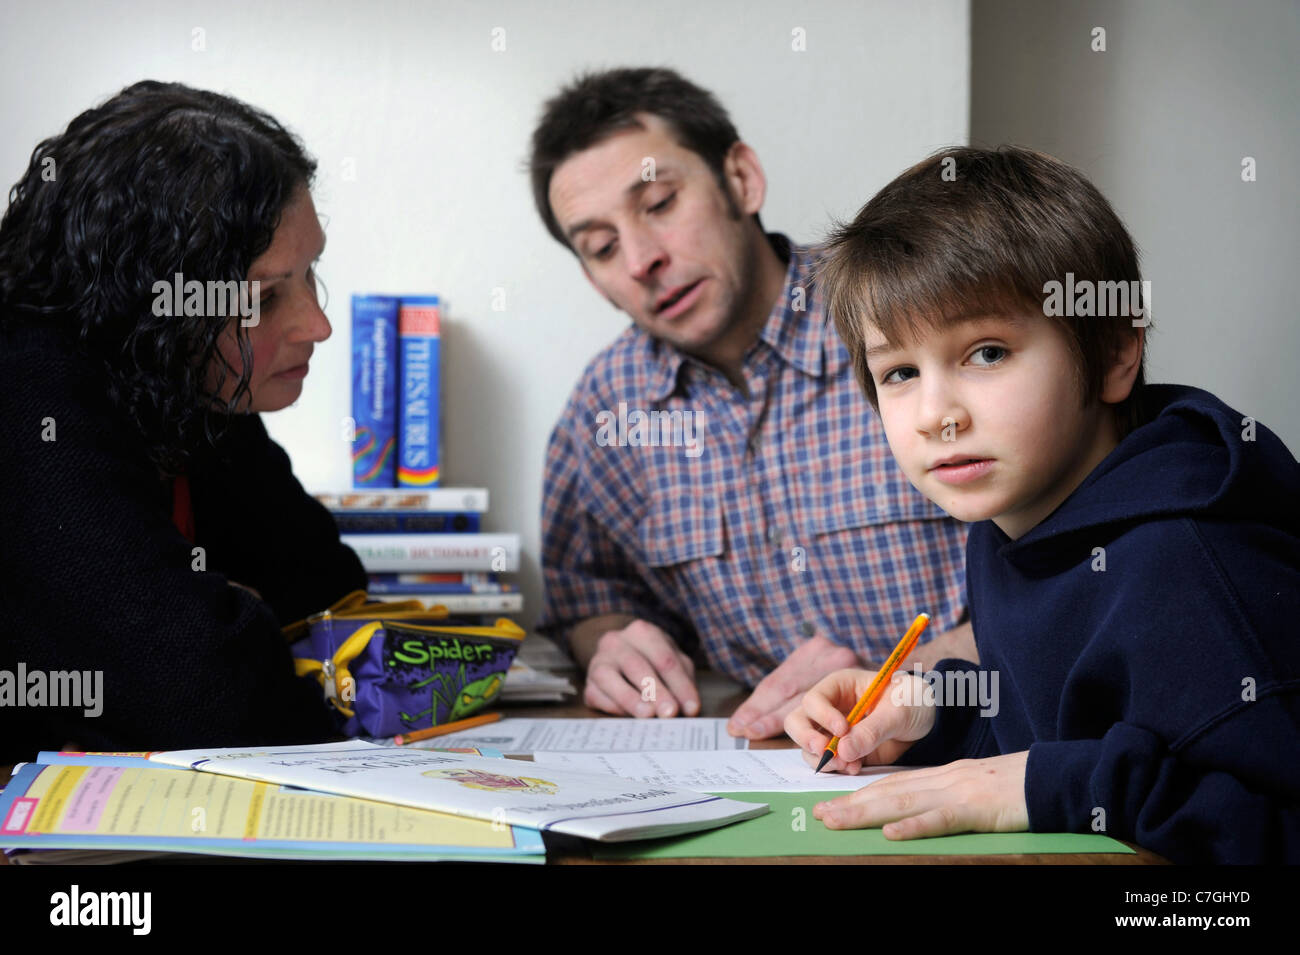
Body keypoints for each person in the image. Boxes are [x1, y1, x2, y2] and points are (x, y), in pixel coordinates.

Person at [785, 146, 1300, 864]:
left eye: (987, 352)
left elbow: (1278, 831)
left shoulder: (1186, 562)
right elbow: (1053, 726)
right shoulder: (1009, 523)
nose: (937, 415)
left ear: (1117, 350)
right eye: (899, 371)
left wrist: (1053, 785)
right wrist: (932, 711)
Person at [529, 67, 973, 739]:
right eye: (601, 246)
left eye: (658, 204)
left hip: (989, 750)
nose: (642, 259)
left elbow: (1080, 573)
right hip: (775, 770)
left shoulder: (908, 316)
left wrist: (908, 683)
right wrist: (611, 645)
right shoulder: (605, 414)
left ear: (741, 179)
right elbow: (591, 600)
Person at [0, 81, 366, 763]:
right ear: (150, 302)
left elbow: (334, 597)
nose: (318, 324)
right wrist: (228, 628)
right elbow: (207, 698)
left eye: (310, 273)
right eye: (262, 296)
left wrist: (229, 621)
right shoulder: (29, 396)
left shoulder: (180, 379)